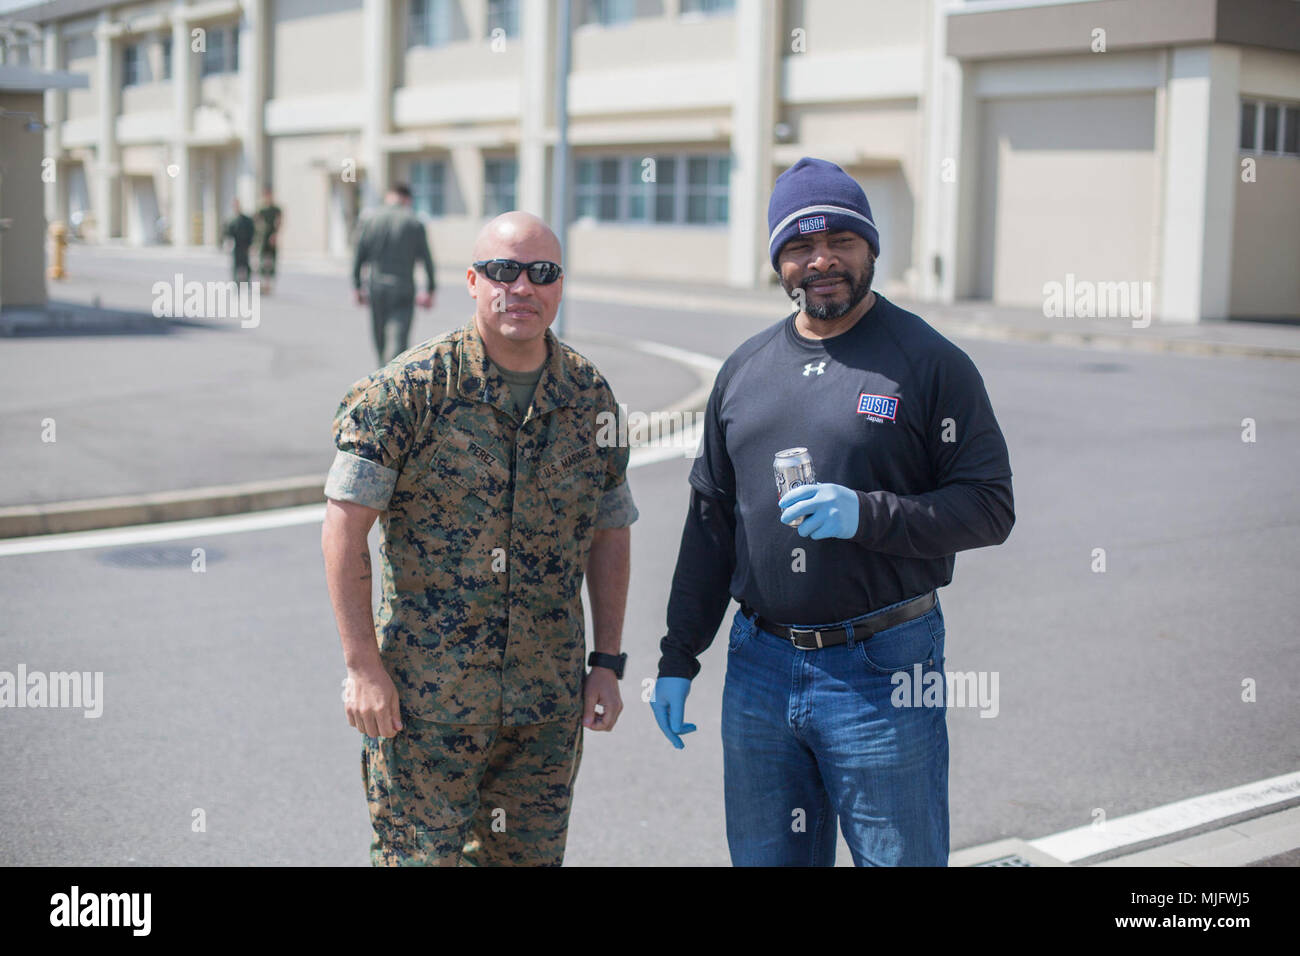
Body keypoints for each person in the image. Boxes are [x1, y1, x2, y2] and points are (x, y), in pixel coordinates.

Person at [650, 157, 1015, 867]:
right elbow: (710, 528)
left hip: (883, 667)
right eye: (798, 246)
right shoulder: (745, 371)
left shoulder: (929, 363)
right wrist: (676, 655)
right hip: (759, 664)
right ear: (777, 264)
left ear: (871, 247)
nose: (821, 261)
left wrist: (867, 514)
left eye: (840, 241)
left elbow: (989, 507)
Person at [322, 211, 638, 866]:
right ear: (472, 280)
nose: (521, 287)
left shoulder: (590, 398)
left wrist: (606, 662)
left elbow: (610, 529)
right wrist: (362, 667)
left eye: (542, 273)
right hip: (422, 707)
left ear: (558, 286)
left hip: (544, 709)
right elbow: (344, 528)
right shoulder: (406, 393)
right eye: (503, 270)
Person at [351, 183, 436, 366]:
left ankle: (383, 374)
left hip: (376, 286)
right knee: (399, 337)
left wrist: (357, 286)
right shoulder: (414, 222)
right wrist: (430, 289)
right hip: (403, 287)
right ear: (407, 199)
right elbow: (427, 259)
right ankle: (391, 377)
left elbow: (359, 255)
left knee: (379, 336)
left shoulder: (371, 220)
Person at [254, 188, 282, 294]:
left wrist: (275, 235)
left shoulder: (276, 209)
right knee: (262, 261)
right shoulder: (261, 209)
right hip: (263, 239)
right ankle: (262, 284)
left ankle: (268, 284)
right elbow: (256, 221)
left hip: (272, 238)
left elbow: (279, 222)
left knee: (271, 262)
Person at [222, 199, 255, 284]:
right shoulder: (232, 221)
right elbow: (227, 233)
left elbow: (251, 231)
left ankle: (247, 280)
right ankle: (236, 281)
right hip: (236, 246)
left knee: (245, 264)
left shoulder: (246, 220)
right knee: (236, 264)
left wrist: (251, 244)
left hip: (245, 245)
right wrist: (228, 243)